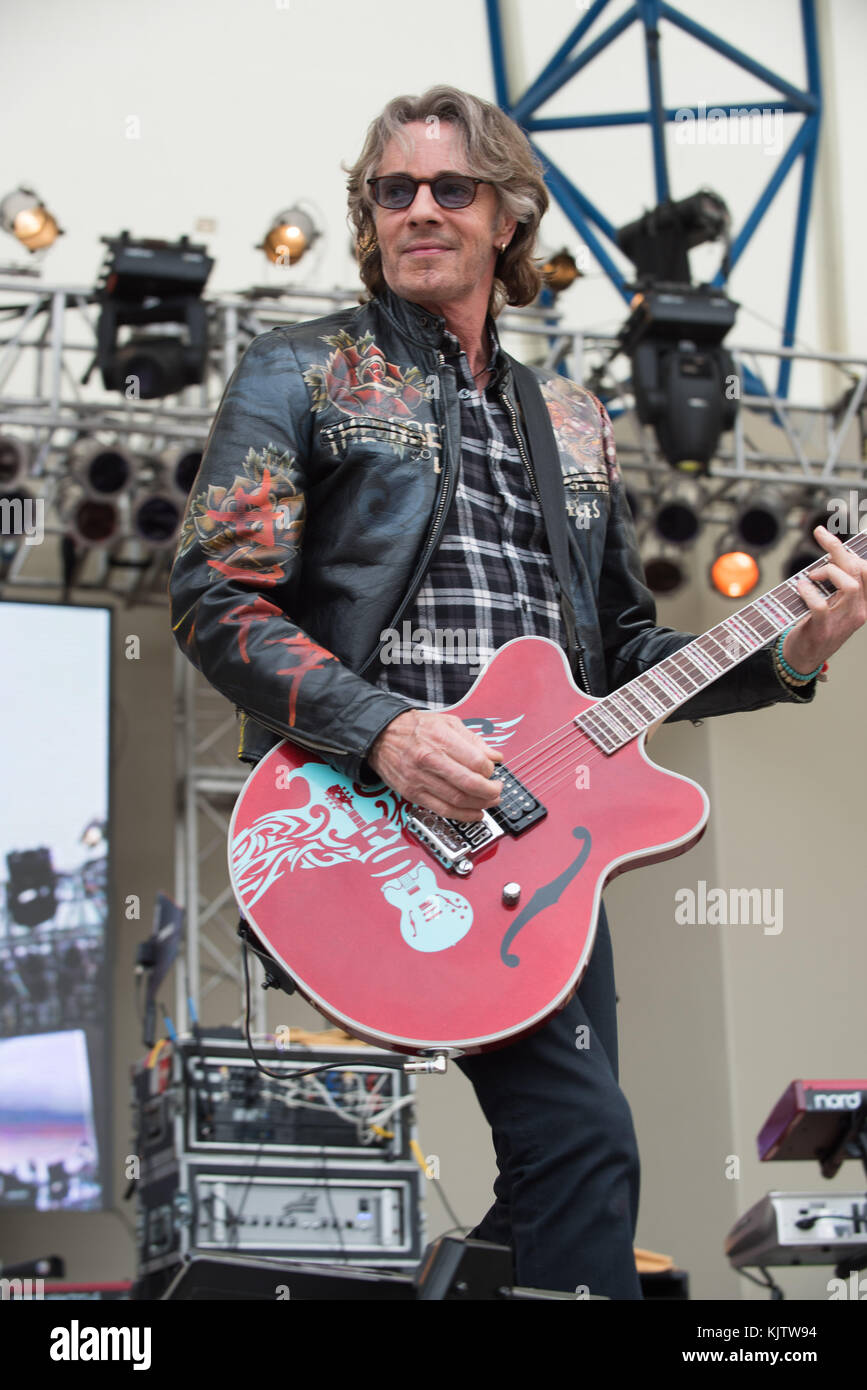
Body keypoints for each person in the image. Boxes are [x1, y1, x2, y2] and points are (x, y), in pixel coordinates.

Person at [168, 85, 867, 1299]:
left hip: (532, 847)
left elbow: (624, 664)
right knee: (584, 1141)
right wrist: (382, 732)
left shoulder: (576, 421)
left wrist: (790, 649)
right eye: (394, 191)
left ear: (510, 216)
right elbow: (214, 598)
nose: (420, 209)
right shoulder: (304, 370)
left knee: (573, 1150)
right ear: (368, 215)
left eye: (453, 188)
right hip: (365, 818)